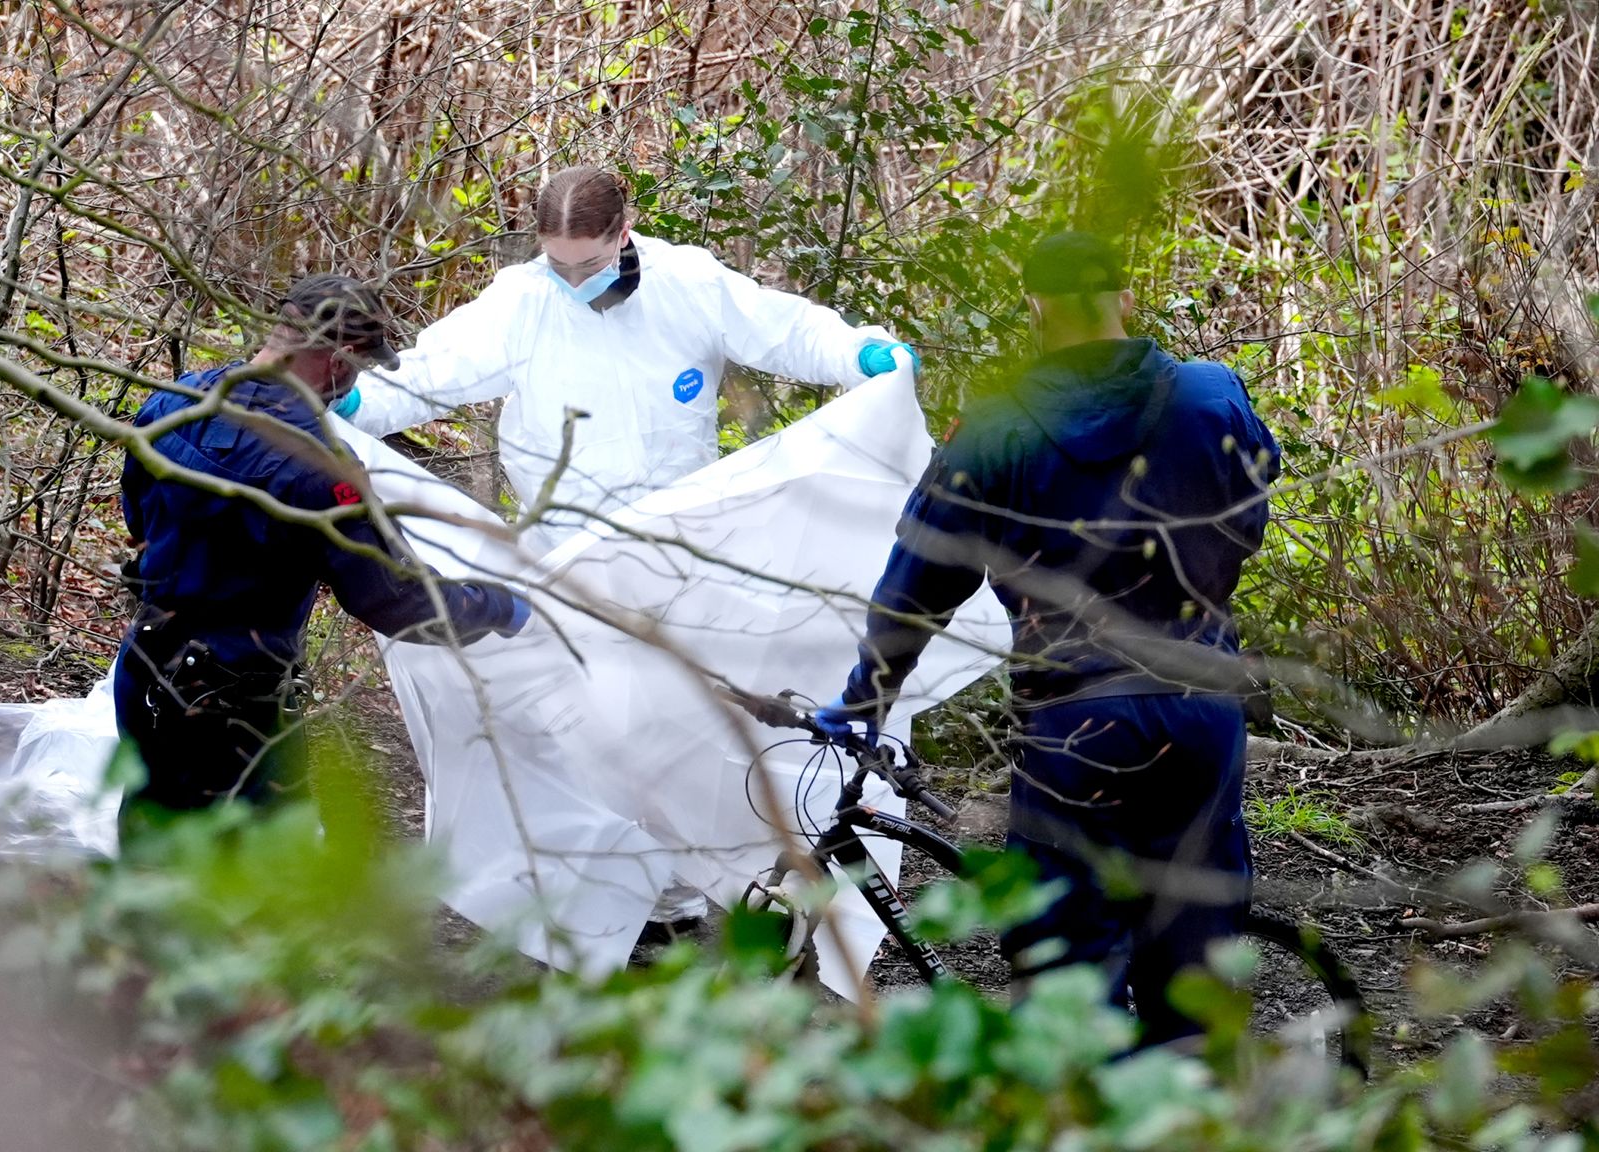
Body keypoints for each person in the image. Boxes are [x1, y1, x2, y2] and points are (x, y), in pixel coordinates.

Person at [814, 232, 1281, 1048]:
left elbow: (919, 582)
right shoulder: (1211, 396)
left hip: (1077, 722)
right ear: (1125, 298)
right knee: (1197, 963)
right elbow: (1247, 514)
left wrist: (867, 697)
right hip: (1199, 706)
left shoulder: (996, 431)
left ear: (1035, 306)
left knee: (1068, 975)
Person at [115, 275, 531, 843]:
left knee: (150, 831)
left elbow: (136, 512)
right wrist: (498, 607)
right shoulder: (314, 468)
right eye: (357, 369)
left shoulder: (179, 399)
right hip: (232, 704)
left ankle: (132, 929)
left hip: (145, 663)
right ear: (339, 361)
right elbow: (400, 599)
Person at [336, 164, 917, 550]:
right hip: (569, 555)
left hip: (682, 541)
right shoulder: (523, 302)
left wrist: (857, 352)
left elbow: (785, 330)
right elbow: (430, 374)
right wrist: (353, 403)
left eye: (588, 266)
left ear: (623, 233)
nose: (572, 280)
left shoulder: (687, 282)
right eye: (557, 265)